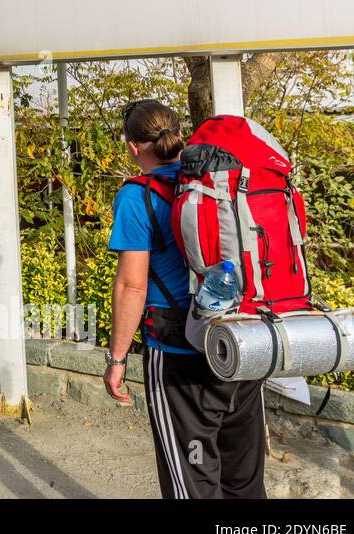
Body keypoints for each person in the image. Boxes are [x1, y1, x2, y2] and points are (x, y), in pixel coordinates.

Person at [102, 99, 267, 499]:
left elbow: (132, 287)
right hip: (240, 345)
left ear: (133, 147)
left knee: (191, 485)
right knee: (244, 482)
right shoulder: (221, 179)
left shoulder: (137, 197)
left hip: (178, 353)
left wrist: (117, 360)